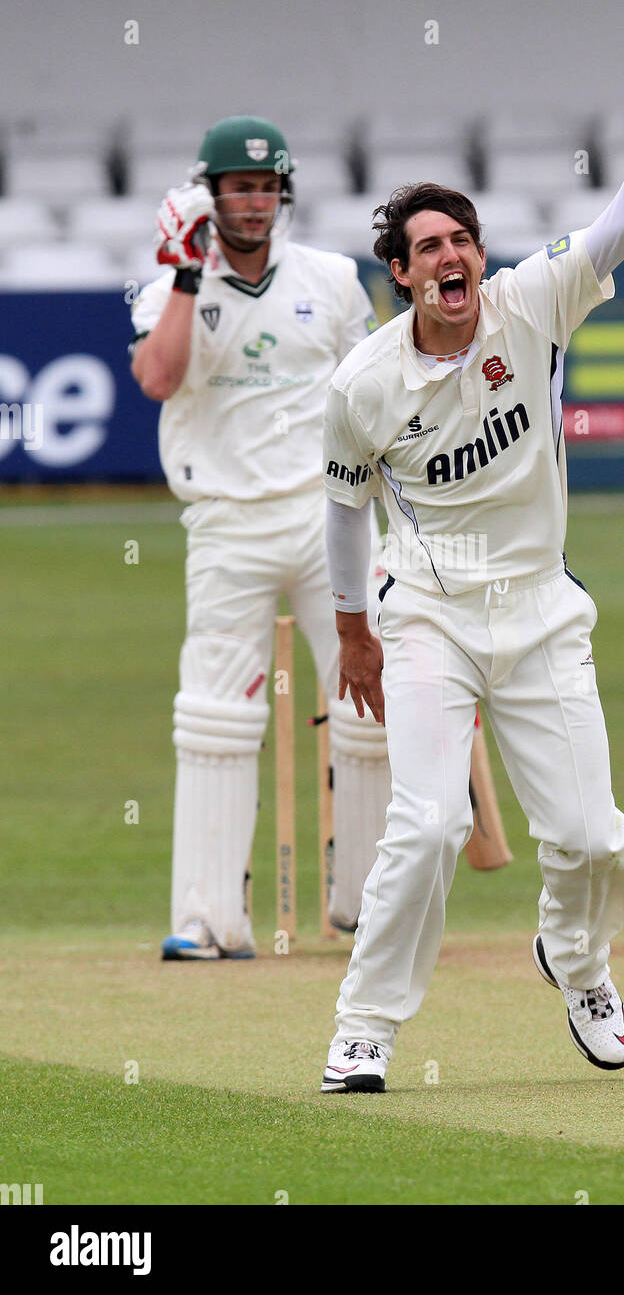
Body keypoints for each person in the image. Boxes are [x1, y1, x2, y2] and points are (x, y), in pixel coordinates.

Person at [319, 0, 624, 1089]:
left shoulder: (527, 303)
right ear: (402, 276)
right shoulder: (363, 383)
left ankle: (575, 957)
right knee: (419, 830)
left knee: (596, 839)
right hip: (425, 614)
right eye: (426, 249)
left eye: (460, 238)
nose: (449, 257)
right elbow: (341, 506)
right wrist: (352, 634)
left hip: (541, 611)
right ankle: (365, 1026)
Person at [130, 114, 391, 960]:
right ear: (209, 195)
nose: (253, 202)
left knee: (373, 698)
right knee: (213, 716)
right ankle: (210, 919)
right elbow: (158, 378)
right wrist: (180, 274)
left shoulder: (333, 279)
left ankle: (368, 901)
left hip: (332, 515)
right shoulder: (172, 285)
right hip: (227, 524)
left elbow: (372, 398)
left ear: (284, 193)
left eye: (266, 187)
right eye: (238, 187)